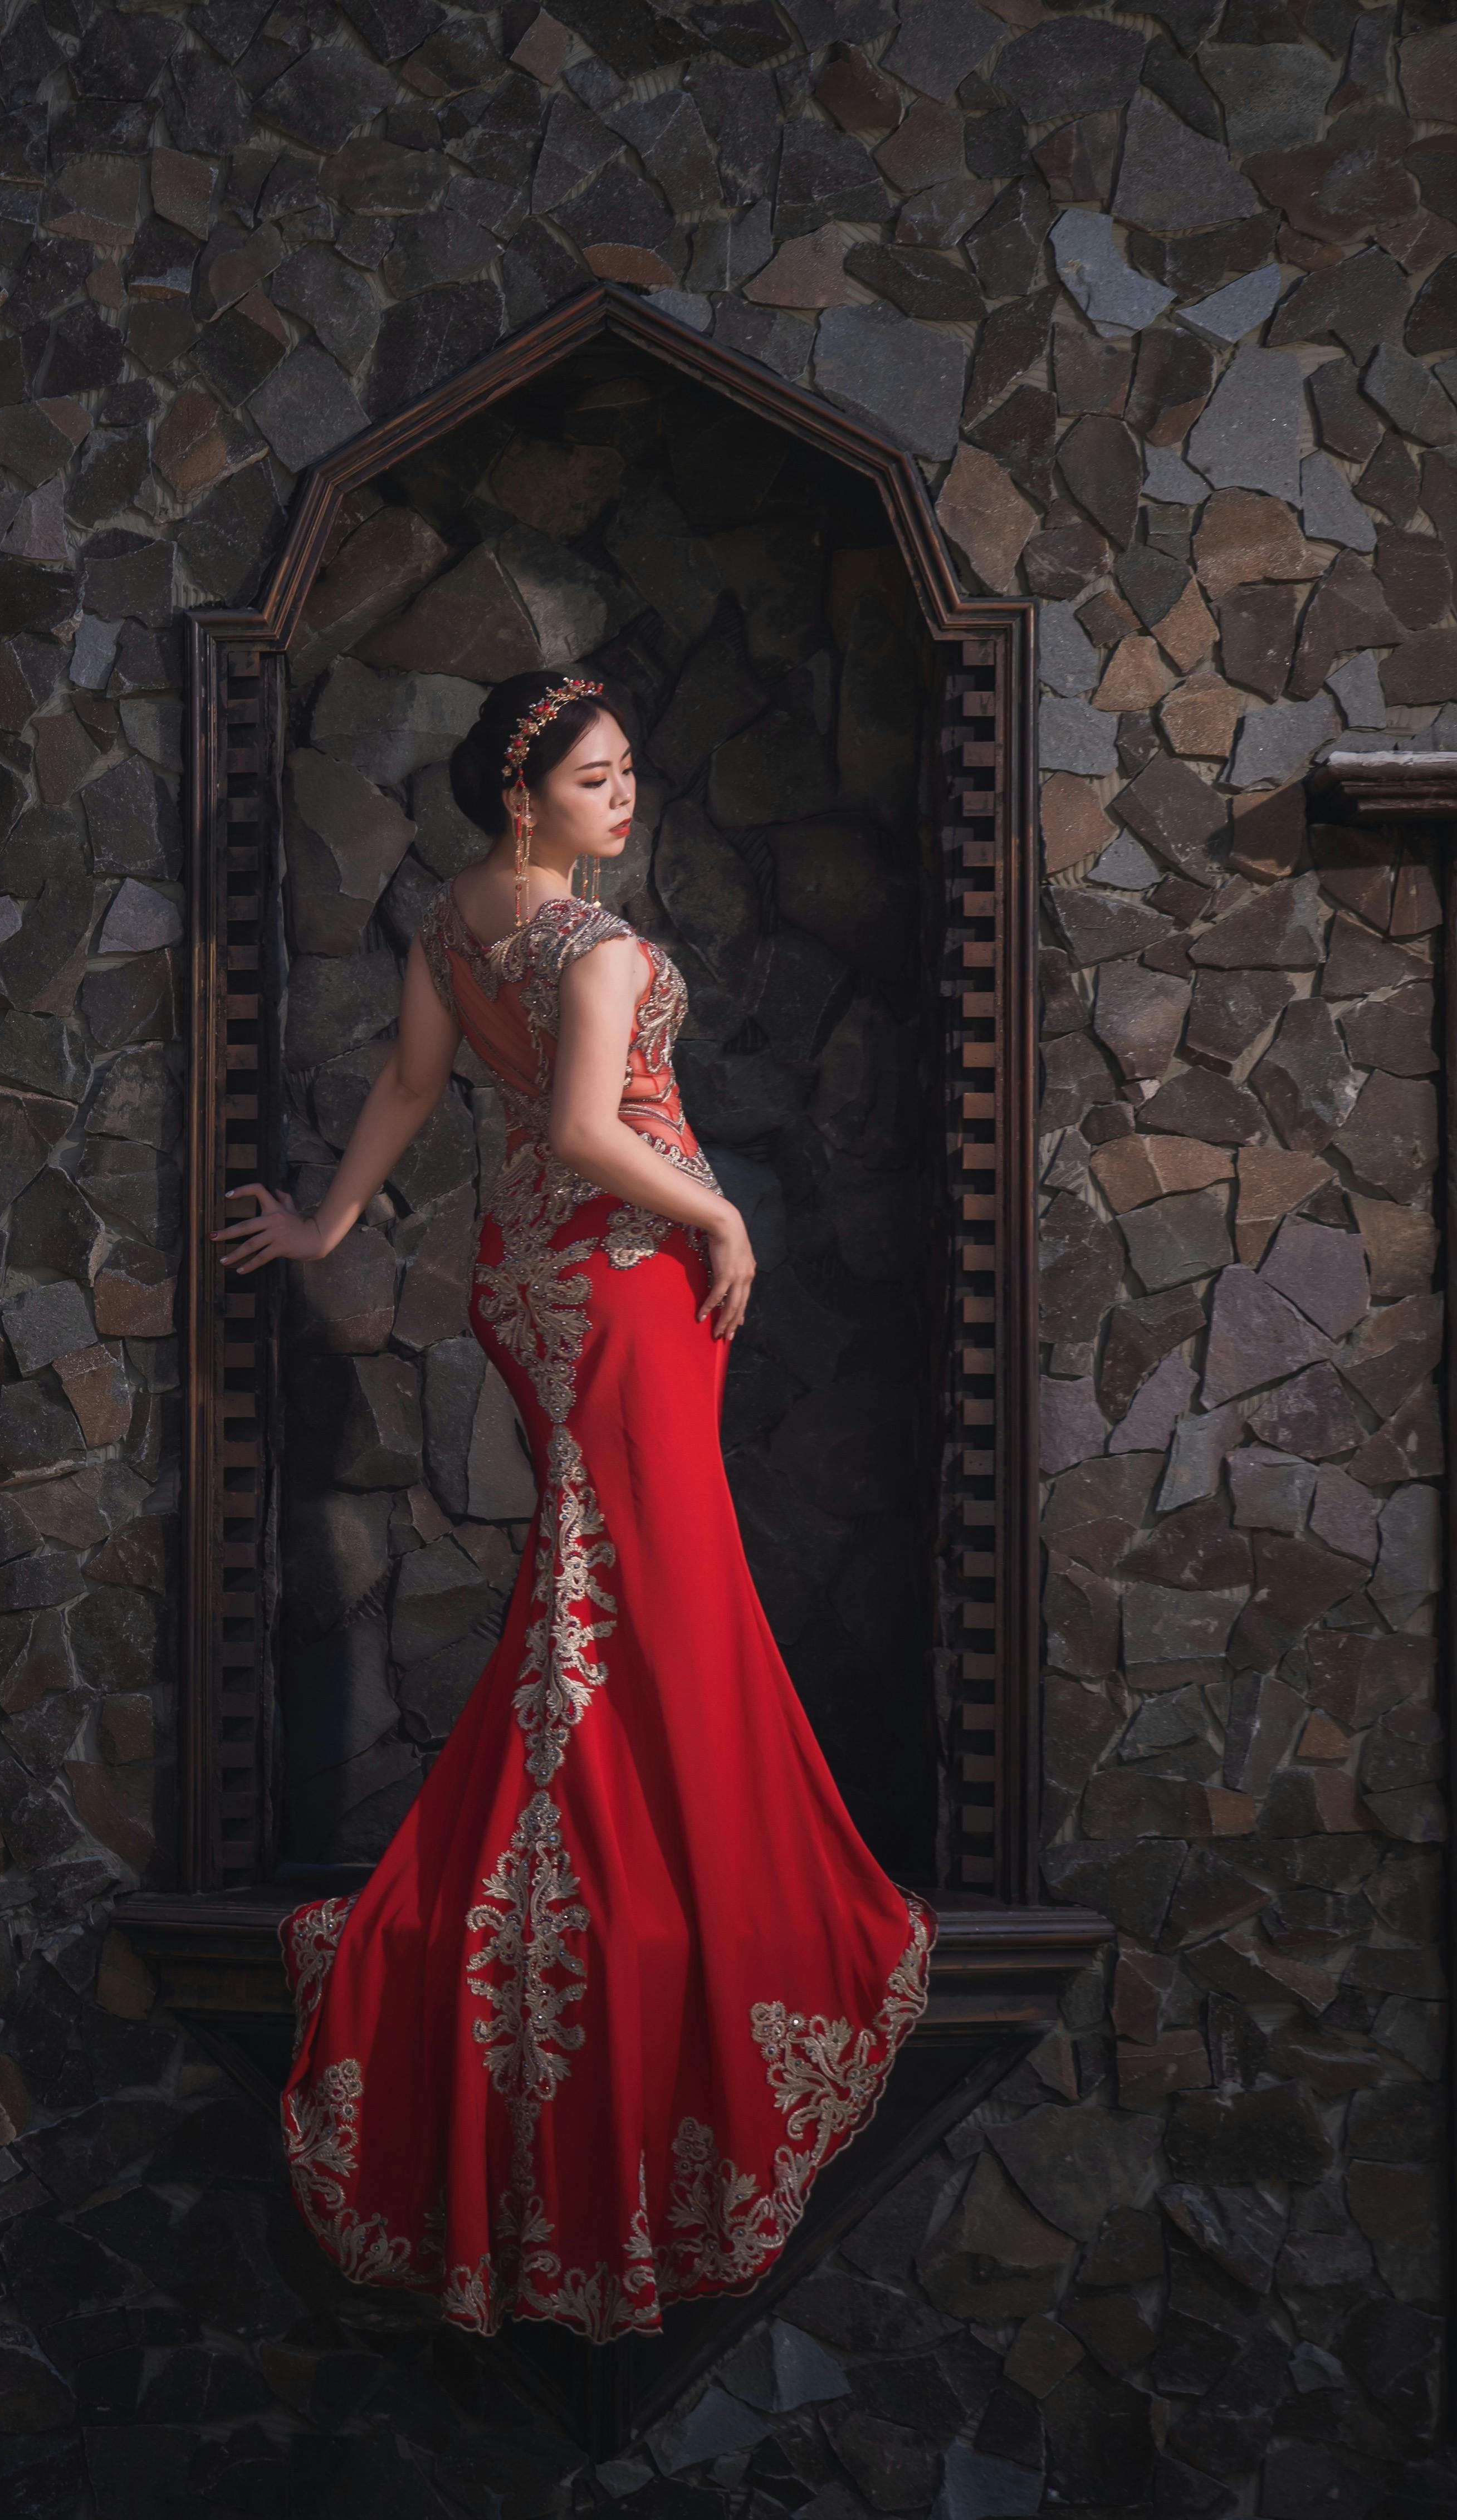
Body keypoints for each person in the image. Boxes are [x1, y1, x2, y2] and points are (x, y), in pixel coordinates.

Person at [213, 670, 933, 2341]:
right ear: (521, 796)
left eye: (626, 775)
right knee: (655, 1580)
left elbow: (413, 1088)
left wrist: (328, 1225)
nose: (627, 799)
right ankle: (648, 1883)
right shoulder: (596, 947)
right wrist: (724, 1218)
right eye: (597, 781)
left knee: (595, 1582)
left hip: (525, 1285)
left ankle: (580, 1878)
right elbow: (581, 1127)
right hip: (619, 1281)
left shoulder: (451, 923)